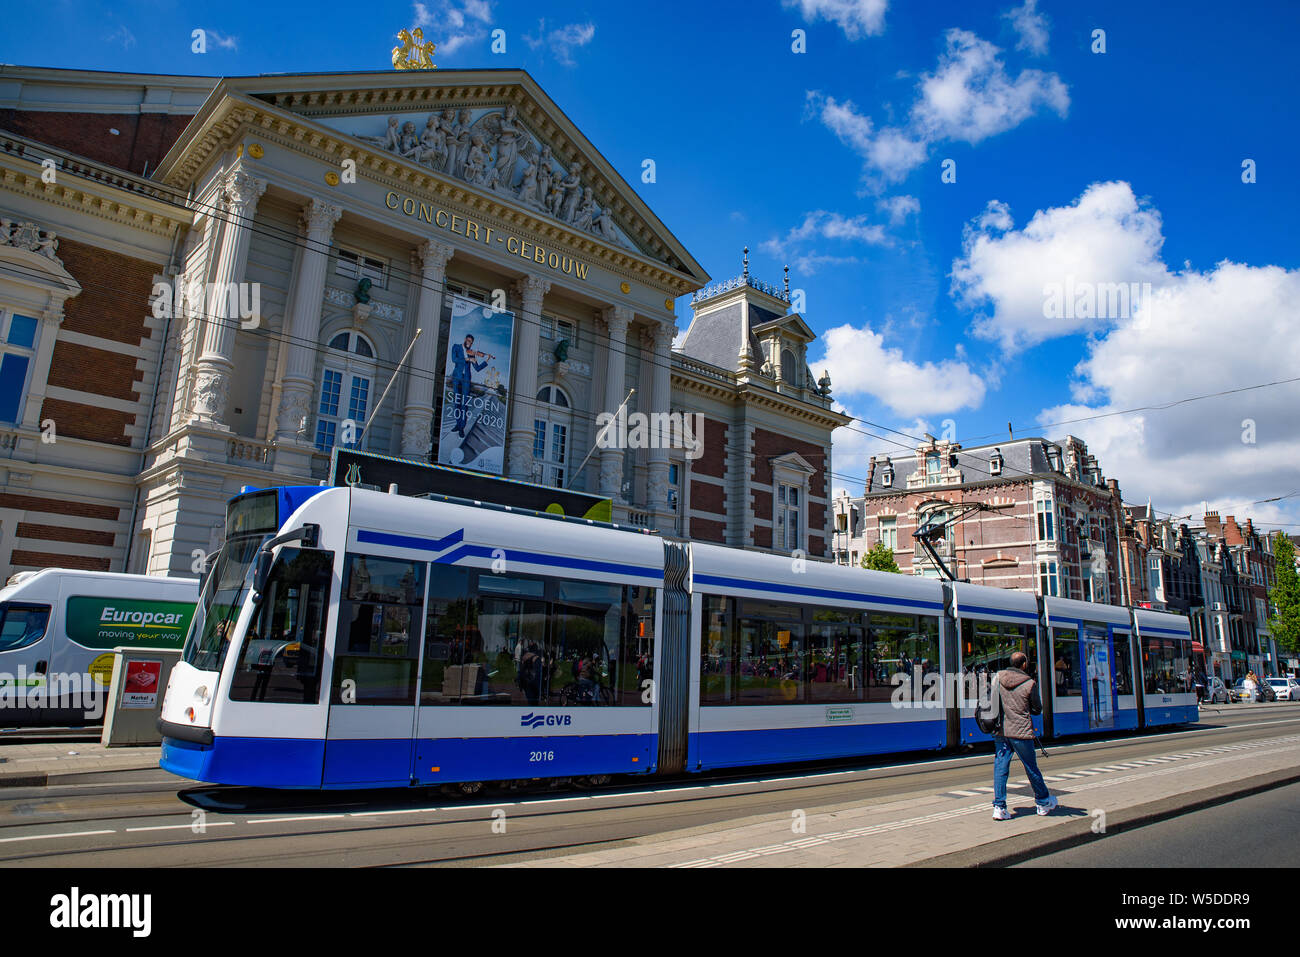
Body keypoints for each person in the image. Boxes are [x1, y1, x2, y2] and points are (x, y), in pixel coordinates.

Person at [991, 651, 1057, 820]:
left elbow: (992, 703)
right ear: (1024, 664)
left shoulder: (997, 677)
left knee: (1000, 768)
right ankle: (1043, 802)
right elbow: (1037, 709)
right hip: (1020, 732)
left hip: (1002, 731)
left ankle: (999, 807)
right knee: (1031, 767)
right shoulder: (1029, 683)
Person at [449, 334, 489, 437]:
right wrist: (467, 359)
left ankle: (462, 427)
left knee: (464, 403)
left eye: (471, 342)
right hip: (457, 376)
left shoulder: (472, 353)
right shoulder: (456, 347)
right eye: (468, 340)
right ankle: (458, 424)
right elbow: (454, 359)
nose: (469, 343)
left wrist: (487, 360)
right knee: (457, 401)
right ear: (465, 339)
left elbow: (477, 368)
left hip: (466, 379)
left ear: (472, 343)